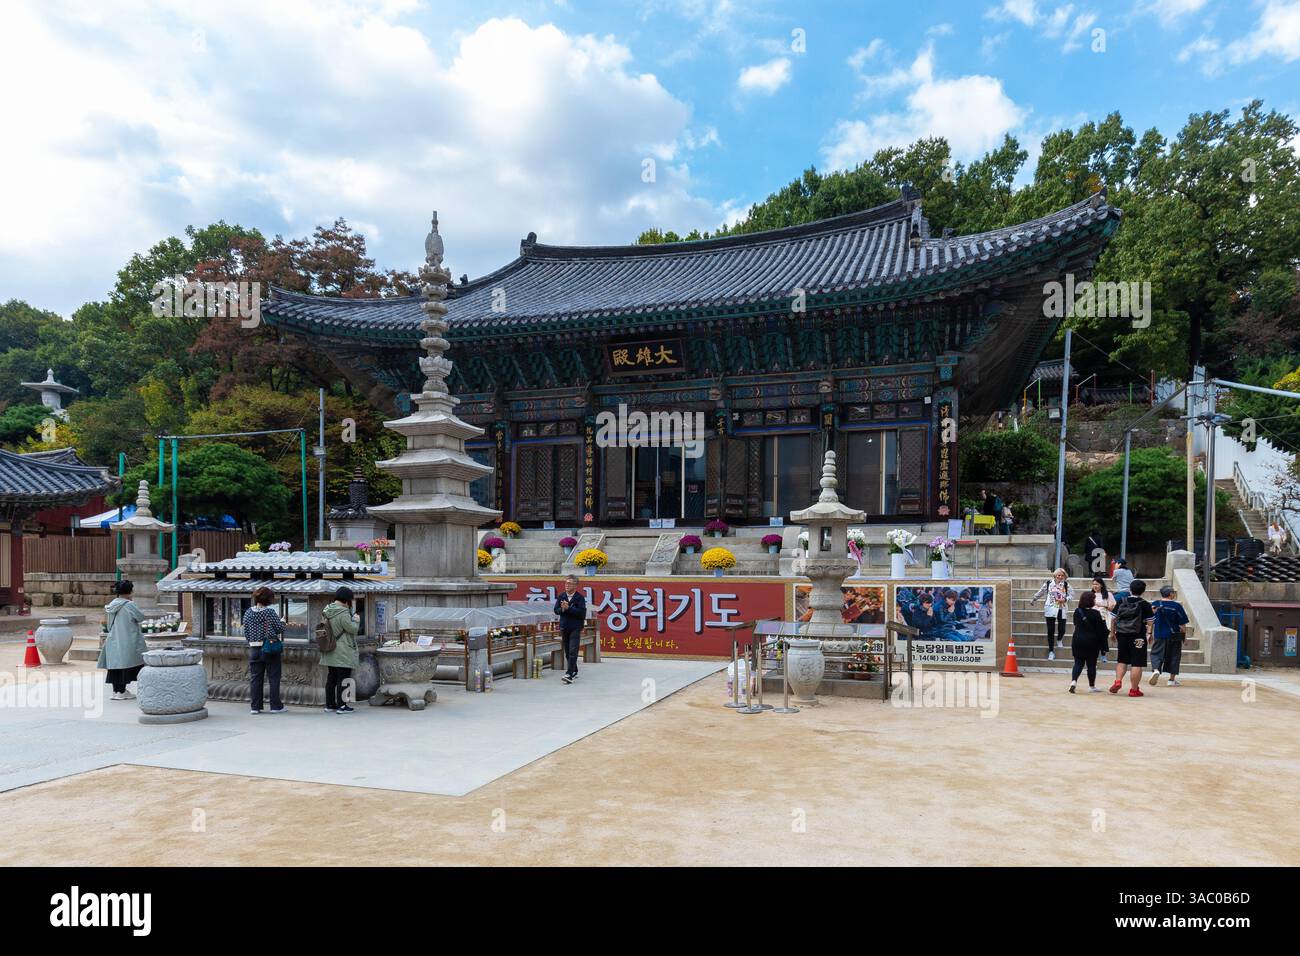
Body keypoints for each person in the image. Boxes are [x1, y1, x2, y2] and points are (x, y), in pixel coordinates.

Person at [99, 580, 147, 701]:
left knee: (115, 665)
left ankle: (116, 691)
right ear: (130, 591)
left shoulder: (111, 605)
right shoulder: (129, 605)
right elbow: (140, 617)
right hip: (127, 638)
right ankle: (122, 691)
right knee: (127, 664)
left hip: (113, 638)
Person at [243, 586, 286, 715]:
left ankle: (255, 707)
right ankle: (275, 706)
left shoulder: (248, 613)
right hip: (269, 649)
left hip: (254, 649)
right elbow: (279, 629)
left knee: (255, 679)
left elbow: (246, 632)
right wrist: (283, 622)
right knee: (273, 678)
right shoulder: (270, 612)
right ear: (268, 599)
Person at [1109, 578, 1154, 697]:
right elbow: (1150, 622)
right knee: (1137, 663)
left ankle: (1118, 681)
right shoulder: (1145, 604)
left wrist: (1112, 633)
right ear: (1143, 591)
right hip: (1138, 636)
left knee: (1122, 660)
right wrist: (1149, 634)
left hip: (1122, 634)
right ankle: (1134, 690)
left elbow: (1113, 618)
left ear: (1130, 589)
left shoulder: (1122, 601)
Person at [320, 586, 359, 714]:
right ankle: (342, 706)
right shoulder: (343, 613)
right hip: (343, 650)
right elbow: (352, 629)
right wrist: (356, 620)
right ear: (347, 599)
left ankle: (330, 705)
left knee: (331, 678)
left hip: (330, 648)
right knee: (343, 678)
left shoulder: (327, 610)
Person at [1149, 584, 1190, 687]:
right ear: (1171, 594)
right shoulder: (1176, 606)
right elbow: (1182, 624)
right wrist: (1184, 637)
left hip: (1159, 634)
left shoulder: (1155, 604)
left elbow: (1150, 621)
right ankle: (1171, 680)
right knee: (1174, 656)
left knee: (1156, 653)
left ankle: (1156, 670)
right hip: (1174, 636)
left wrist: (1149, 633)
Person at [1069, 591, 1107, 693]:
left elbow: (1075, 623)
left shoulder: (1077, 611)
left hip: (1077, 640)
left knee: (1078, 663)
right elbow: (1100, 629)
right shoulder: (1096, 613)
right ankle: (1091, 686)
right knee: (1091, 664)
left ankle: (1073, 681)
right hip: (1092, 641)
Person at [1031, 568, 1073, 661]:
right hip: (1050, 608)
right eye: (1058, 575)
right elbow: (1041, 592)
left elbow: (1071, 595)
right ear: (1055, 576)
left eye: (1062, 575)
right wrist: (1034, 599)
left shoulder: (1066, 584)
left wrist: (1065, 599)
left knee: (1062, 628)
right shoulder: (1049, 583)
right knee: (1051, 630)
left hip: (1062, 607)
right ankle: (1051, 651)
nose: (1060, 577)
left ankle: (1059, 639)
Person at [554, 575, 587, 684]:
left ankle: (569, 674)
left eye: (570, 583)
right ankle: (574, 670)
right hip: (564, 627)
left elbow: (582, 613)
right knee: (567, 651)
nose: (567, 585)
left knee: (573, 650)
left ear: (575, 585)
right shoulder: (561, 596)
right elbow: (556, 610)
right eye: (566, 583)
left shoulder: (579, 598)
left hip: (575, 627)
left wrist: (569, 608)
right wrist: (562, 609)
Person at [1090, 577, 1116, 664]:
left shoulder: (1108, 594)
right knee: (1094, 637)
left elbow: (1112, 607)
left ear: (1101, 585)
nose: (1095, 586)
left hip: (1104, 617)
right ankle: (1094, 654)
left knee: (1103, 636)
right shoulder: (1090, 594)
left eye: (1097, 584)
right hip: (1093, 618)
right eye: (1093, 584)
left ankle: (1103, 653)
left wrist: (1101, 605)